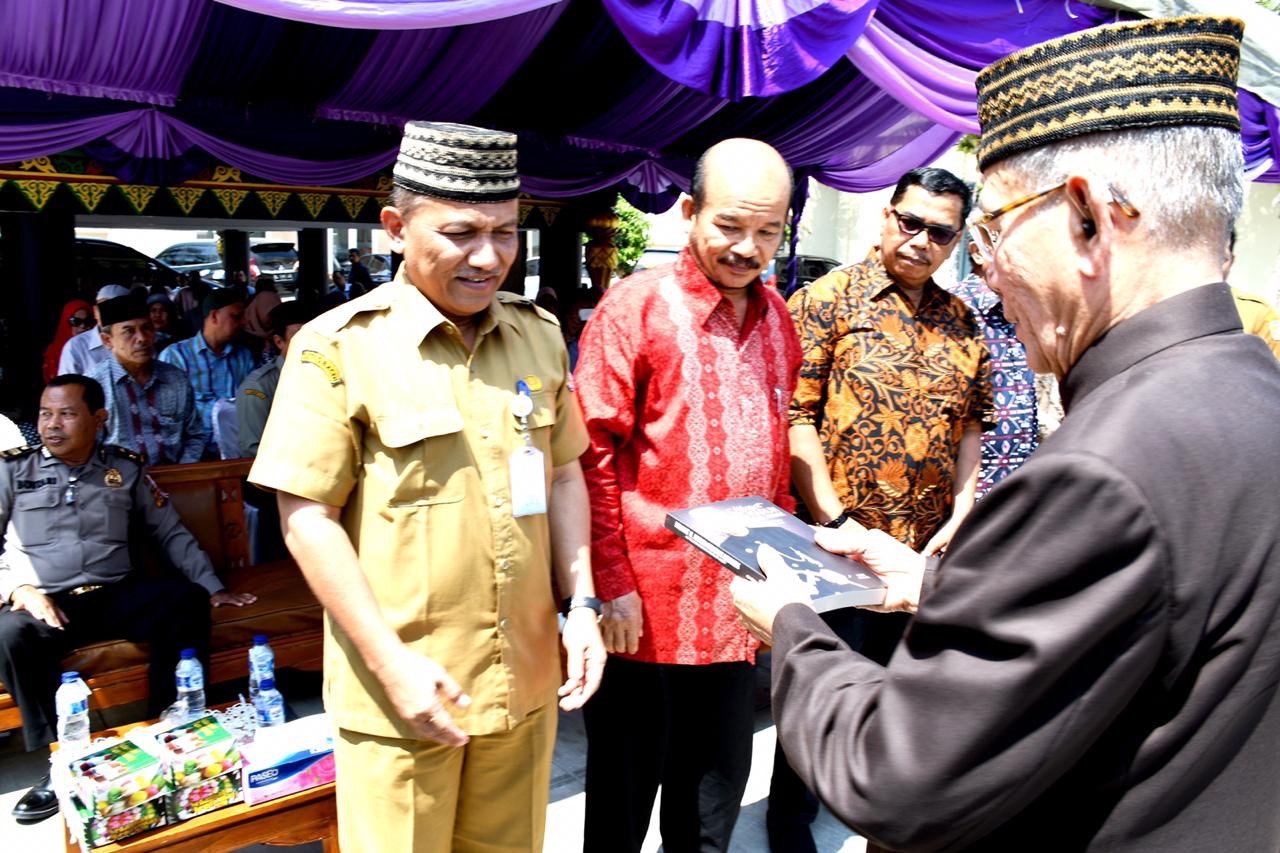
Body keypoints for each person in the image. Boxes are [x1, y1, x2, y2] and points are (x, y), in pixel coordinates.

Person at [733, 16, 1280, 852]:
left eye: (989, 230)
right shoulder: (1254, 390)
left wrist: (795, 624)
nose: (983, 268)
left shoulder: (1101, 466)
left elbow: (895, 774)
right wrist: (929, 582)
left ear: (1089, 218)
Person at [248, 121, 604, 853]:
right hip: (404, 698)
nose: (489, 257)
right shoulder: (339, 346)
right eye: (461, 233)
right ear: (395, 229)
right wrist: (390, 664)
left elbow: (565, 471)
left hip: (524, 681)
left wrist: (583, 604)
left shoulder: (537, 334)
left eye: (505, 233)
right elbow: (307, 518)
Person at [574, 138, 801, 853]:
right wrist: (610, 586)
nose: (747, 247)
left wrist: (788, 569)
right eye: (730, 225)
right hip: (642, 617)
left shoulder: (779, 320)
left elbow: (774, 462)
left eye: (767, 231)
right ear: (688, 211)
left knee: (707, 820)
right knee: (619, 815)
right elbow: (588, 455)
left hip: (735, 617)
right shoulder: (633, 308)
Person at [767, 166, 991, 850]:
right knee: (822, 681)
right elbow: (796, 415)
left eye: (940, 232)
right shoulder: (828, 300)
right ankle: (791, 817)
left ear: (956, 240)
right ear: (887, 216)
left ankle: (876, 814)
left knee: (904, 692)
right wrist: (834, 518)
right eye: (910, 222)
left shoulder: (962, 321)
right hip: (836, 544)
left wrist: (963, 507)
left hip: (921, 553)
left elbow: (971, 424)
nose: (921, 240)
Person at [0, 375, 256, 824]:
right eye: (45, 414)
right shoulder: (12, 471)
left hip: (113, 594)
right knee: (8, 634)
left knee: (185, 600)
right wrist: (18, 590)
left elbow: (170, 532)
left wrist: (213, 588)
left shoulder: (124, 468)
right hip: (46, 603)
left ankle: (168, 728)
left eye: (66, 414)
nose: (52, 425)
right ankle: (59, 760)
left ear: (99, 419)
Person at [948, 247, 1039, 497]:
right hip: (968, 494)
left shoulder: (1026, 311)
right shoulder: (951, 312)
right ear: (977, 252)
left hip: (1020, 488)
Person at [87, 293, 206, 465]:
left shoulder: (176, 379)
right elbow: (90, 448)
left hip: (175, 476)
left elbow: (195, 435)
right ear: (107, 341)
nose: (142, 338)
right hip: (119, 479)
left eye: (147, 328)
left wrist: (181, 473)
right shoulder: (95, 386)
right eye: (129, 331)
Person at [159, 288, 254, 459]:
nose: (244, 322)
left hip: (237, 454)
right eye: (236, 316)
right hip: (192, 457)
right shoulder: (175, 357)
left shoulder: (244, 357)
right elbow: (166, 419)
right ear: (215, 316)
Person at [236, 301, 314, 458]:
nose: (311, 343)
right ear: (279, 342)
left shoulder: (326, 376)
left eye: (315, 335)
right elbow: (253, 450)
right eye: (300, 336)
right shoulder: (259, 387)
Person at [57, 285, 130, 376]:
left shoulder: (139, 340)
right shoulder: (76, 346)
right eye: (104, 308)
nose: (109, 313)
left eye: (117, 308)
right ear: (95, 311)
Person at [42, 299, 93, 384]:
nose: (82, 326)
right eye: (76, 321)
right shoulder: (54, 351)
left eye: (87, 321)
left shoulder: (101, 345)